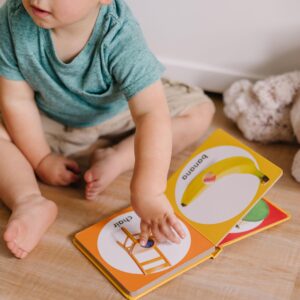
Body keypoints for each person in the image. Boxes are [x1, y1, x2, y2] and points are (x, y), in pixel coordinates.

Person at [0, 0, 215, 259]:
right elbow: (16, 100)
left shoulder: (119, 34)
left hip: (120, 113)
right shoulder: (12, 19)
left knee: (201, 111)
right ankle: (28, 201)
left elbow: (150, 113)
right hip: (49, 119)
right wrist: (41, 158)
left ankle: (120, 157)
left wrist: (148, 192)